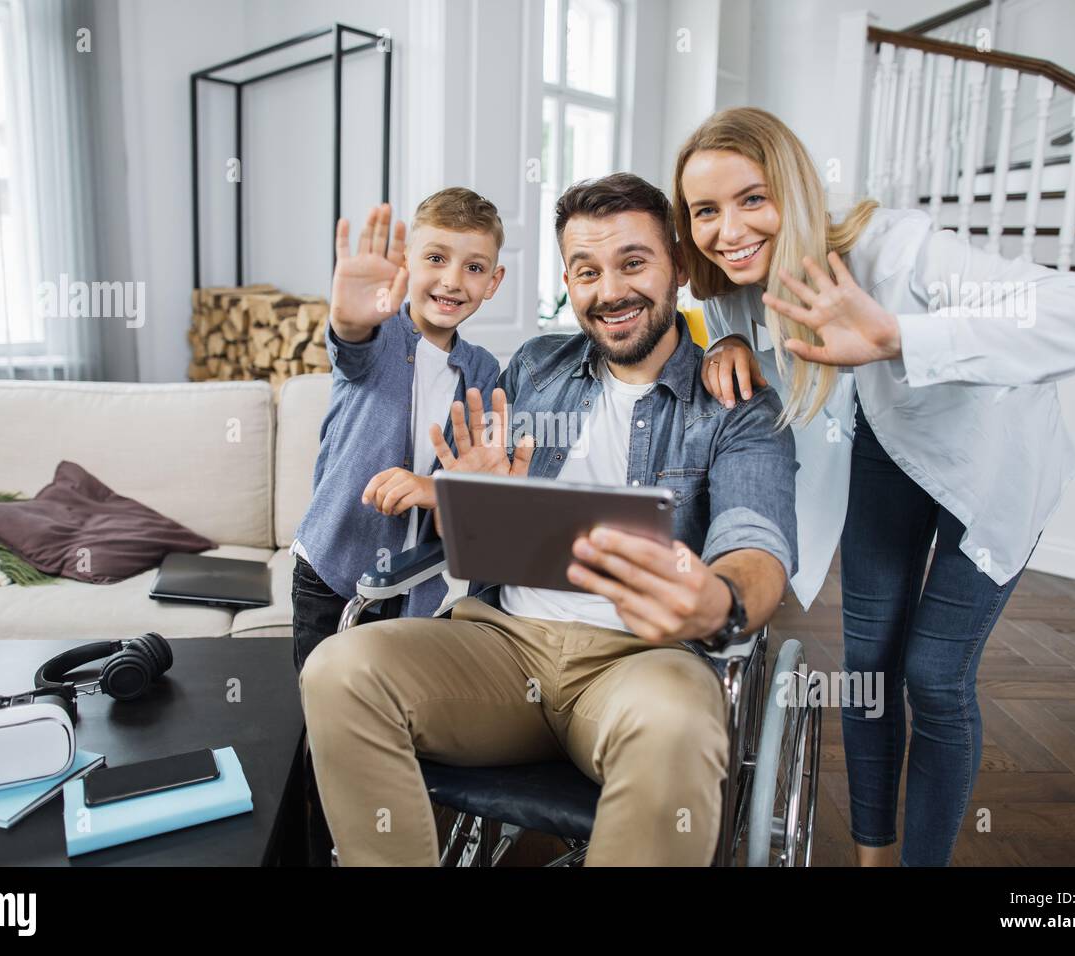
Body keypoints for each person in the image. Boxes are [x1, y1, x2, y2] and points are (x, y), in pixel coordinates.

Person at [673, 107, 1075, 866]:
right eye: (705, 211)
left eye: (751, 199)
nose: (728, 230)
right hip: (880, 460)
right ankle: (872, 858)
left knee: (933, 677)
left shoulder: (902, 251)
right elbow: (702, 300)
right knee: (865, 672)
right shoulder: (733, 282)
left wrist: (899, 336)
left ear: (794, 191)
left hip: (987, 468)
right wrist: (724, 335)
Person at [300, 172, 800, 866]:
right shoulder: (535, 368)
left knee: (681, 721)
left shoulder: (736, 404)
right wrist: (466, 500)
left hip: (641, 664)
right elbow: (473, 508)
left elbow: (756, 544)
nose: (610, 291)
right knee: (337, 670)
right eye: (587, 271)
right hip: (502, 648)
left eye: (633, 263)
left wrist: (718, 598)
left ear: (678, 269)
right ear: (568, 279)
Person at [290, 190, 505, 673]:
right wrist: (348, 320)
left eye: (474, 268)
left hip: (416, 583)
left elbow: (475, 482)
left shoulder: (484, 371)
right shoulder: (380, 333)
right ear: (407, 262)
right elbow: (350, 345)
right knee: (324, 706)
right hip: (333, 571)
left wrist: (439, 490)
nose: (452, 280)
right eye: (435, 258)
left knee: (392, 711)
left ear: (494, 281)